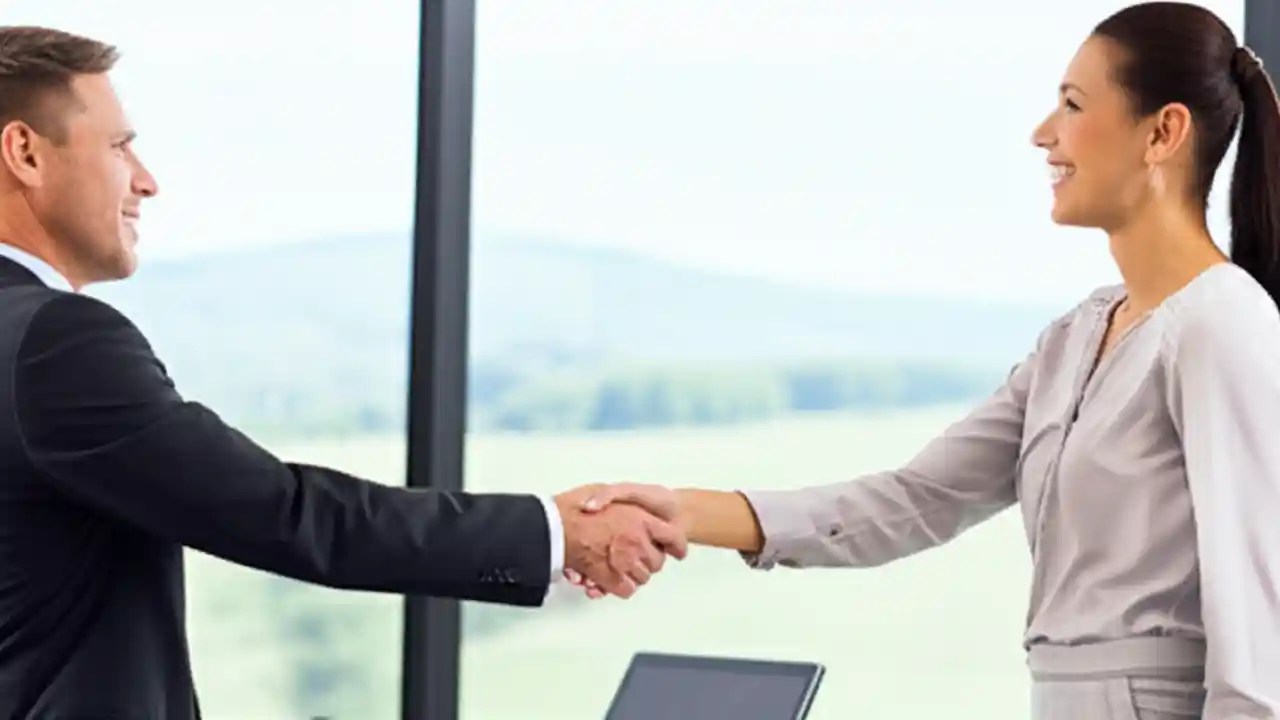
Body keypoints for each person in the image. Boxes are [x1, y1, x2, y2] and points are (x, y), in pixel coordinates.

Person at [571, 2, 1280, 718]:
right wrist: (680, 511)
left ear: (1163, 132)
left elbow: (1258, 649)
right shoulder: (1076, 335)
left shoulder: (1223, 323)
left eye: (1071, 104)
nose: (1044, 134)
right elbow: (917, 499)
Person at [0, 25, 688, 719]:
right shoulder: (56, 342)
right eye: (120, 146)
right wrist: (554, 533)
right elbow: (283, 513)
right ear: (25, 152)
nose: (146, 180)